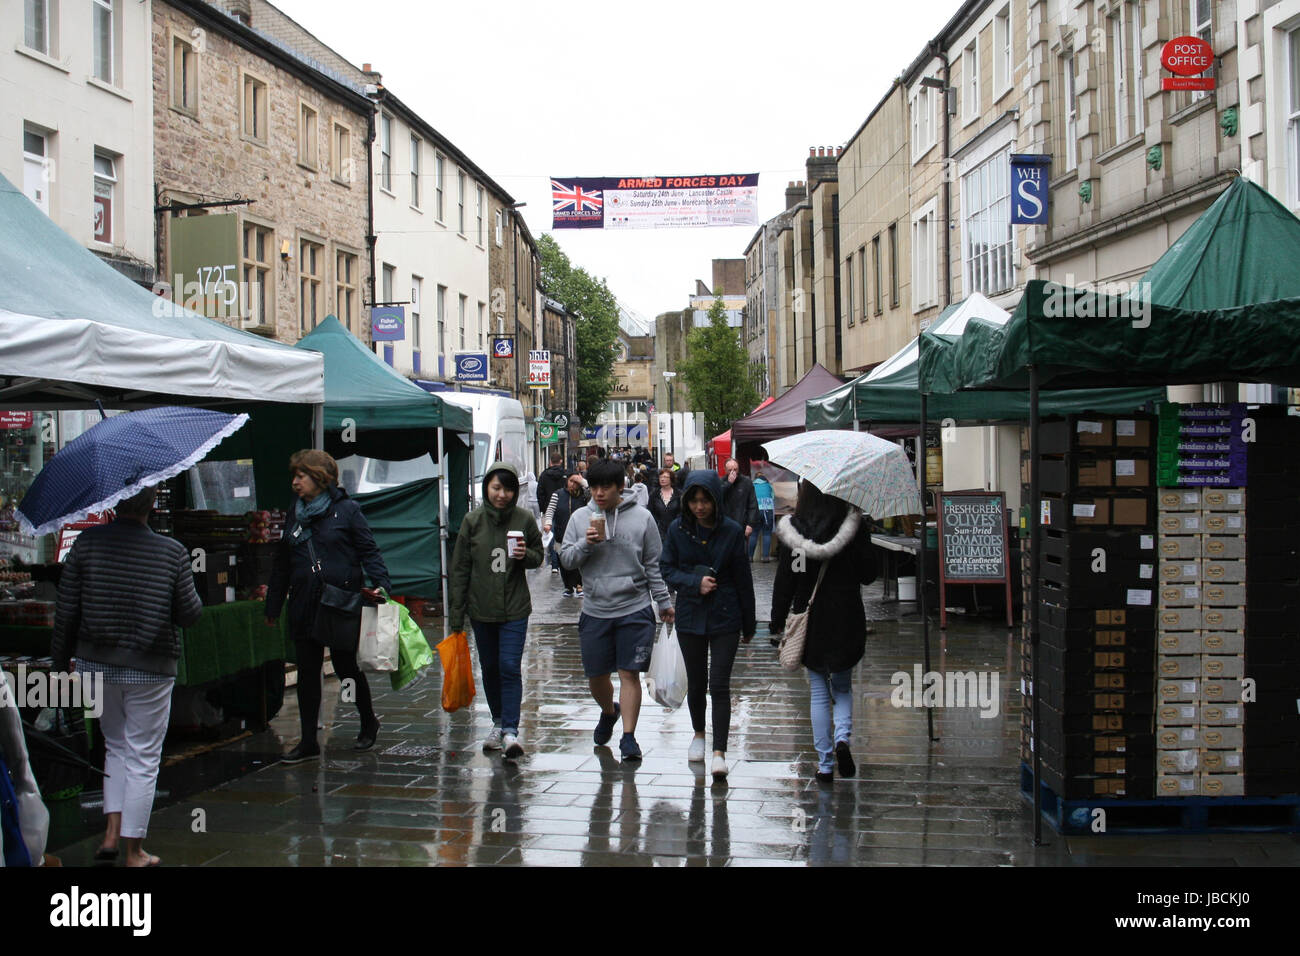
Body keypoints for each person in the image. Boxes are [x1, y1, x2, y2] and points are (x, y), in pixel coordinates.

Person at [51, 485, 202, 867]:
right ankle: (134, 851)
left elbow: (66, 611)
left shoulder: (85, 545)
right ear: (152, 505)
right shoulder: (172, 552)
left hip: (94, 664)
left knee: (115, 747)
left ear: (115, 503)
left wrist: (57, 665)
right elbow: (190, 614)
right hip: (150, 667)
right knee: (143, 757)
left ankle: (110, 835)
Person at [266, 450, 391, 763]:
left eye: (301, 476)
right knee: (308, 671)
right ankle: (308, 740)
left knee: (345, 667)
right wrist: (273, 604)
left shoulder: (347, 510)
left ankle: (367, 721)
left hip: (339, 603)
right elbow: (282, 563)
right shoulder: (295, 514)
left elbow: (369, 551)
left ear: (320, 478)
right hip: (304, 603)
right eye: (294, 476)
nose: (295, 482)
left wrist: (382, 587)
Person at [560, 458, 674, 762]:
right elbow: (567, 560)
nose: (598, 493)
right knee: (596, 676)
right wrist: (586, 544)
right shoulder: (580, 518)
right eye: (594, 486)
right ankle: (609, 711)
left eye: (605, 487)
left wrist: (663, 602)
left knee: (629, 674)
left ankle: (628, 737)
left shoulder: (642, 518)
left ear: (619, 487)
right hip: (595, 608)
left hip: (634, 608)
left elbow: (653, 565)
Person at [769, 481, 878, 783]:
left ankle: (825, 763)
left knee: (818, 691)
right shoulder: (853, 526)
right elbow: (869, 574)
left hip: (810, 618)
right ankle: (843, 738)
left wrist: (777, 620)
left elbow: (787, 579)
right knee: (842, 686)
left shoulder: (795, 531)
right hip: (846, 615)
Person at [660, 471, 755, 779]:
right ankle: (698, 734)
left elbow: (743, 577)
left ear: (716, 501)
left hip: (726, 615)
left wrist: (749, 623)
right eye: (694, 501)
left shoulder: (731, 531)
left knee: (720, 684)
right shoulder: (677, 530)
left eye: (705, 501)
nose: (699, 507)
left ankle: (720, 752)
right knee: (697, 682)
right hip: (690, 615)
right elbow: (666, 568)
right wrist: (693, 582)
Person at [448, 462, 544, 759]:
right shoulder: (472, 521)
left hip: (515, 608)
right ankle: (498, 723)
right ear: (486, 488)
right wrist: (456, 617)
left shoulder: (524, 519)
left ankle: (512, 731)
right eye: (496, 488)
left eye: (508, 489)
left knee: (508, 666)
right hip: (481, 608)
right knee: (489, 668)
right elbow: (461, 568)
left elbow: (539, 557)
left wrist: (524, 554)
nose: (502, 495)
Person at [544, 471, 589, 597]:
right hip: (561, 534)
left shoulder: (584, 495)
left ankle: (579, 586)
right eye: (571, 481)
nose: (573, 484)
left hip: (579, 535)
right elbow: (550, 510)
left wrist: (584, 483)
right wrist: (547, 523)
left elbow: (593, 498)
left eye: (576, 482)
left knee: (578, 560)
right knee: (563, 561)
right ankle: (568, 587)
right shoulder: (558, 494)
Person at [537, 452, 567, 574]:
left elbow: (540, 493)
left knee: (551, 536)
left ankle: (555, 565)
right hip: (564, 508)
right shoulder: (565, 475)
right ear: (560, 461)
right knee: (564, 535)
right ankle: (564, 561)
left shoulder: (544, 475)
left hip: (549, 510)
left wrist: (543, 508)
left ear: (550, 462)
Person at [722, 459, 760, 546]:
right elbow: (718, 496)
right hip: (725, 526)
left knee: (741, 554)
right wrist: (728, 483)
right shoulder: (721, 482)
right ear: (725, 470)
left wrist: (750, 524)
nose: (733, 472)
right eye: (730, 470)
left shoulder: (746, 482)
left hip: (741, 525)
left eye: (735, 469)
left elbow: (753, 504)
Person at [648, 467, 682, 541]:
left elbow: (682, 512)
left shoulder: (679, 494)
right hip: (659, 532)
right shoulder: (654, 495)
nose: (662, 479)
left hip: (676, 531)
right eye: (661, 477)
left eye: (665, 477)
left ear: (671, 479)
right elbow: (650, 512)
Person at [750, 471, 776, 562]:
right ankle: (765, 557)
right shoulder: (769, 486)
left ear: (755, 478)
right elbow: (772, 497)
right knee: (767, 534)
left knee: (753, 534)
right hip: (767, 510)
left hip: (756, 511)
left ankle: (750, 557)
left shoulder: (752, 486)